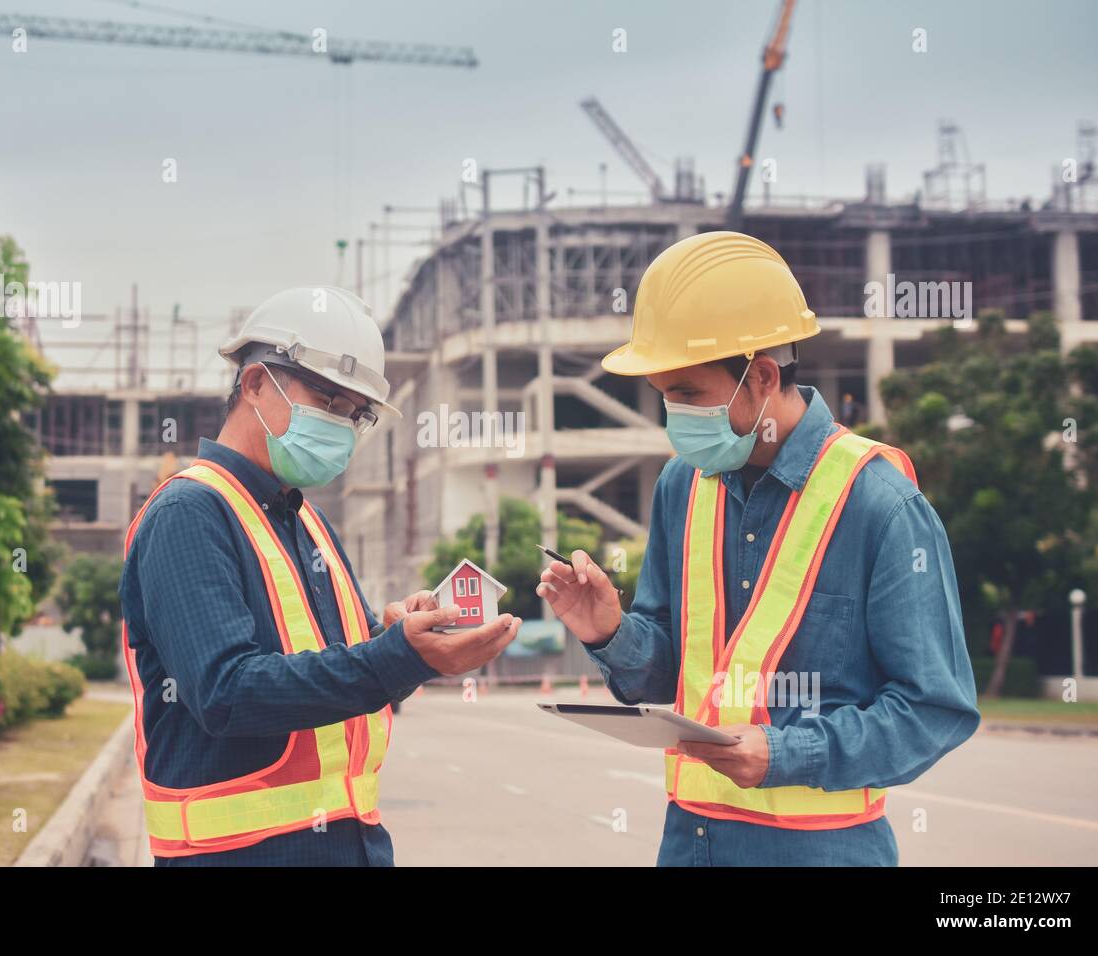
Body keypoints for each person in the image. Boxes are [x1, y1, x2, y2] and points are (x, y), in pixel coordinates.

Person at [536, 232, 980, 866]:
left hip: (825, 853)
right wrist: (609, 631)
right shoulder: (681, 485)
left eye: (687, 393)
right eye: (664, 394)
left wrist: (786, 753)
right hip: (691, 842)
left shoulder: (880, 505)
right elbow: (668, 675)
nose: (673, 414)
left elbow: (934, 710)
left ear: (763, 377)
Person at [120, 286, 520, 866]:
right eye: (328, 401)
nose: (342, 426)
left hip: (350, 845)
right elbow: (225, 694)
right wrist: (393, 658)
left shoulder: (308, 523)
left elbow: (352, 682)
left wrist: (402, 647)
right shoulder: (188, 514)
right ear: (255, 383)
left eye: (355, 414)